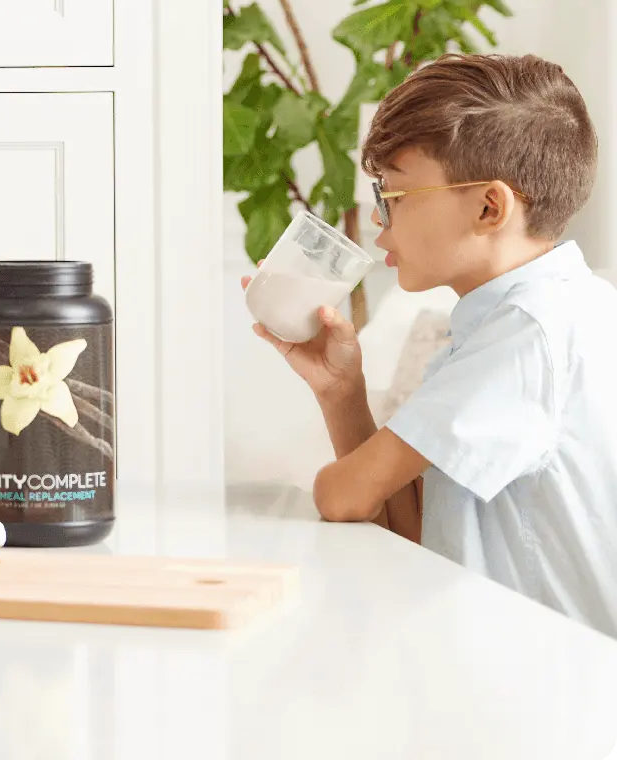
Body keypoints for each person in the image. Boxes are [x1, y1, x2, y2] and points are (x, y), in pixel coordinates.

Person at [246, 53, 617, 635]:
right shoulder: (537, 314)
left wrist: (342, 478)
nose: (377, 220)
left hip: (558, 687)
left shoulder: (529, 333)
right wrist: (342, 392)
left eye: (394, 194)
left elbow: (341, 496)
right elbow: (419, 531)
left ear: (489, 206)